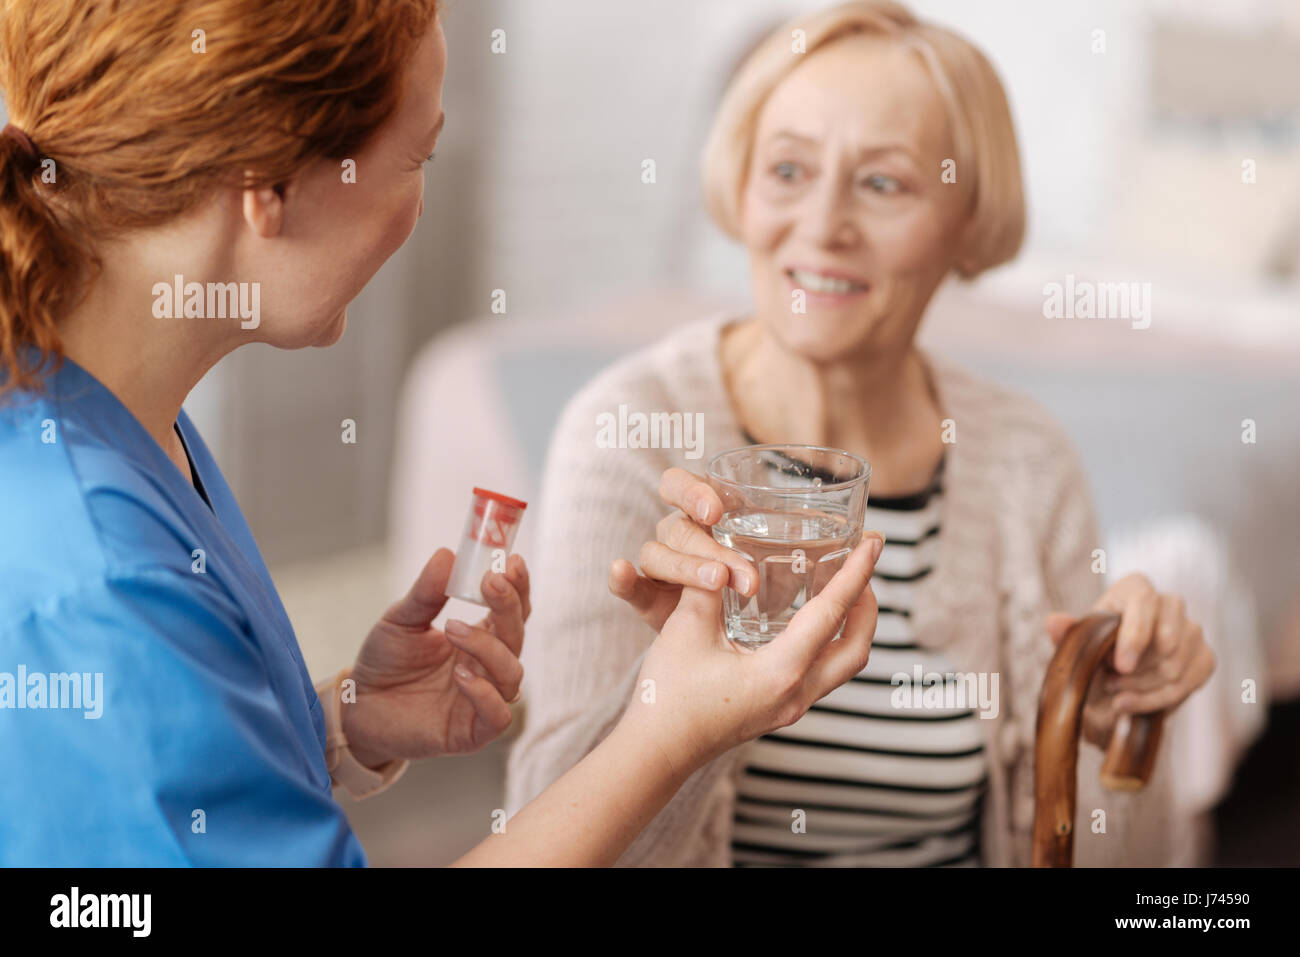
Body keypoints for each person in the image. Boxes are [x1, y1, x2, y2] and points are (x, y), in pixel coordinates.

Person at [0, 0, 885, 867]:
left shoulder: (118, 419)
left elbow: (164, 765)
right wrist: (668, 728)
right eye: (415, 155)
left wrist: (342, 720)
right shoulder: (100, 575)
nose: (417, 207)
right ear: (269, 184)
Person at [505, 0, 1219, 866]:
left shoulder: (1029, 461)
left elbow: (1113, 868)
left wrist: (1103, 736)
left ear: (969, 224)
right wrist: (673, 712)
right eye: (789, 170)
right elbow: (553, 831)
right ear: (741, 186)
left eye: (883, 182)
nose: (824, 225)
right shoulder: (630, 435)